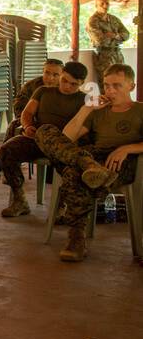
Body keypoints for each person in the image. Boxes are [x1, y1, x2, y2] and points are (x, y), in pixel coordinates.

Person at [35, 64, 143, 262]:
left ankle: (76, 238)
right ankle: (87, 165)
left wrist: (127, 148)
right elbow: (66, 137)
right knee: (45, 131)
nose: (110, 91)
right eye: (106, 85)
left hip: (121, 163)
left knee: (72, 173)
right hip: (93, 158)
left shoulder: (139, 111)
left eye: (116, 86)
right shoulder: (98, 111)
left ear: (131, 86)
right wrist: (86, 109)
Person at [0, 60, 87, 218]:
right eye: (64, 80)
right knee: (7, 150)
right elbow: (27, 113)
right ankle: (19, 200)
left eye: (73, 84)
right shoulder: (43, 91)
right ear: (62, 75)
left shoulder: (85, 100)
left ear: (82, 83)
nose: (67, 87)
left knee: (71, 164)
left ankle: (62, 205)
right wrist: (27, 126)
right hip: (37, 139)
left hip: (64, 145)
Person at [0, 58, 63, 179]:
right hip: (32, 122)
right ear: (42, 71)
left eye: (55, 75)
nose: (50, 78)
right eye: (47, 73)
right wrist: (28, 122)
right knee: (14, 125)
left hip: (55, 129)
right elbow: (19, 106)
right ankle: (0, 164)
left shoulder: (65, 88)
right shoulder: (32, 85)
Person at [87, 0, 129, 78]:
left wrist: (114, 35)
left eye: (107, 3)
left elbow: (126, 35)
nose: (105, 6)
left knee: (121, 81)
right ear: (96, 6)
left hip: (117, 54)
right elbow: (100, 40)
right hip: (104, 56)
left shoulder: (114, 19)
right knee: (106, 83)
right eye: (102, 3)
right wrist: (118, 37)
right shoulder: (93, 21)